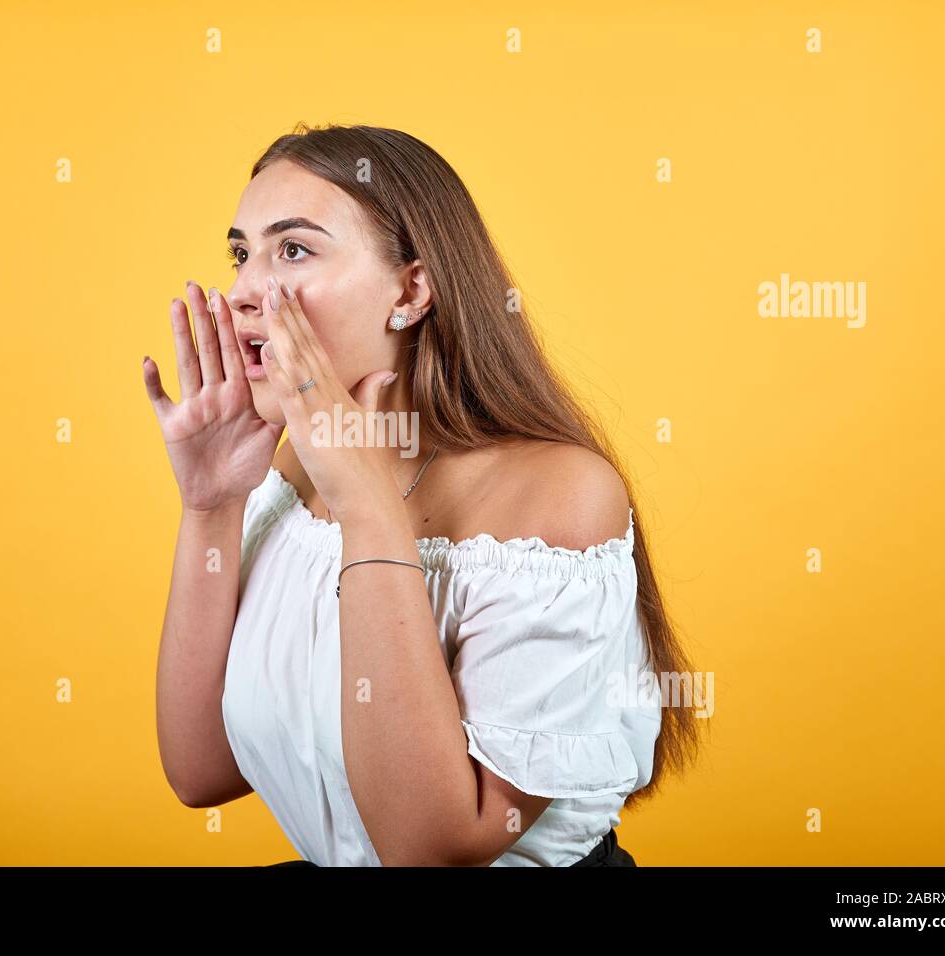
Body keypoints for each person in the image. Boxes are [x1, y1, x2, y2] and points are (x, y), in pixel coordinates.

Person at [145, 123, 703, 866]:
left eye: (295, 249)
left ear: (410, 290)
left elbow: (430, 849)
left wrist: (371, 513)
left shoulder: (561, 497)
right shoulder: (293, 477)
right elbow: (200, 770)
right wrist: (210, 507)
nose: (245, 291)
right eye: (241, 253)